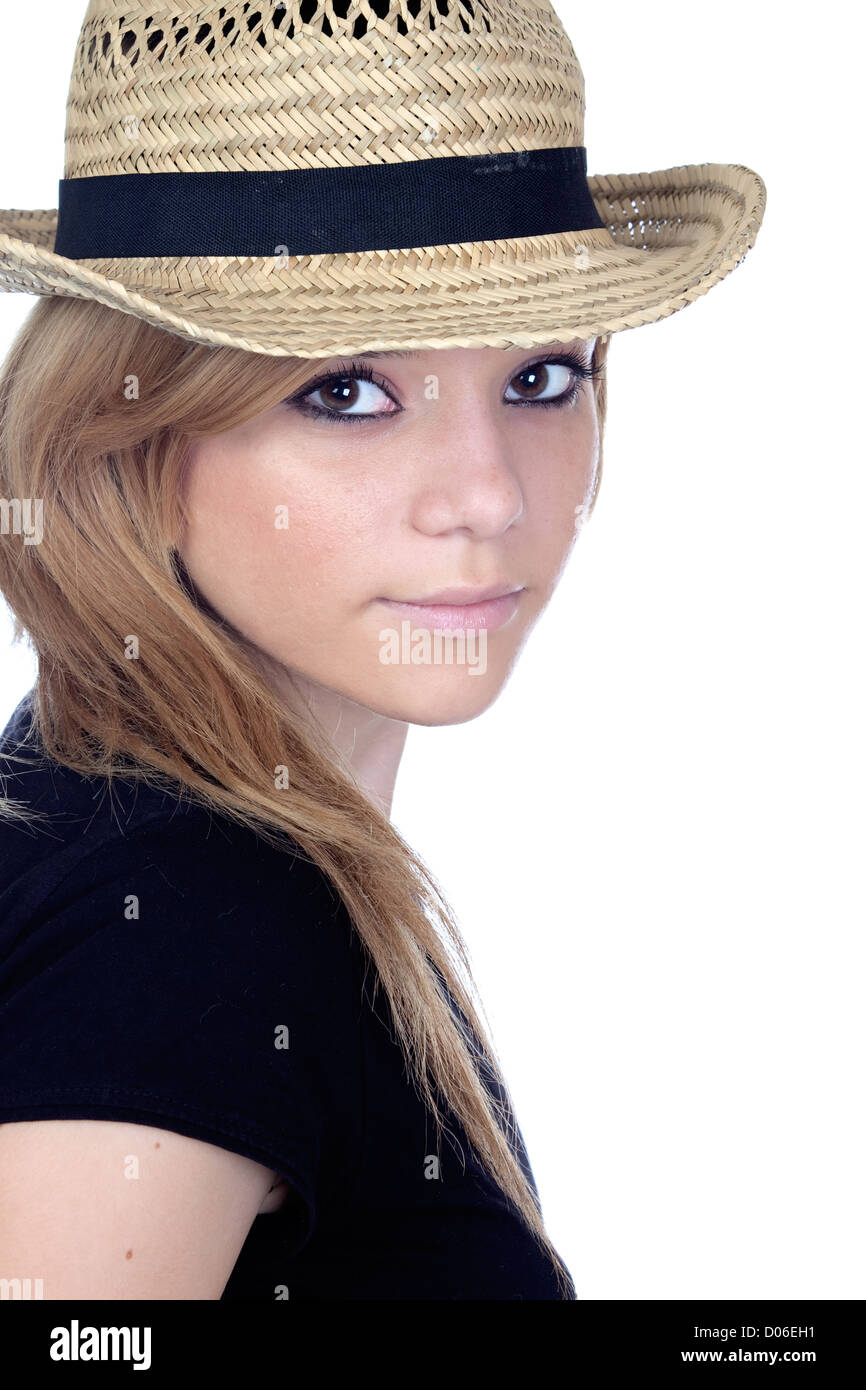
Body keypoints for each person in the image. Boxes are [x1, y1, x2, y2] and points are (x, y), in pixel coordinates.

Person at [0, 0, 765, 1300]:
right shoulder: (185, 927)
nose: (485, 495)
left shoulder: (144, 824)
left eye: (539, 378)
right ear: (123, 433)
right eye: (344, 388)